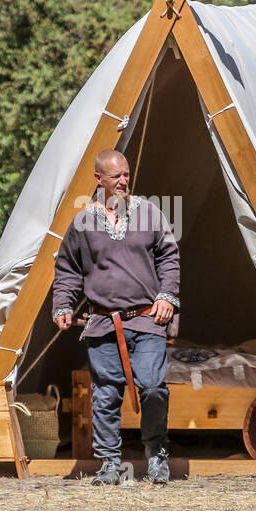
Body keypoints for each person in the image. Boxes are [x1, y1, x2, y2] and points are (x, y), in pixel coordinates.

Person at [52, 150, 180, 485]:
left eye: (126, 174)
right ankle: (109, 462)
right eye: (115, 176)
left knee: (152, 387)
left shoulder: (149, 213)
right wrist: (63, 305)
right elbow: (67, 267)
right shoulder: (83, 221)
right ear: (99, 179)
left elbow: (169, 256)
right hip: (103, 322)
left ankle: (156, 456)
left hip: (147, 319)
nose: (123, 181)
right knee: (106, 394)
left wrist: (167, 297)